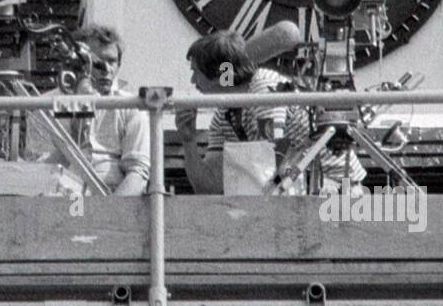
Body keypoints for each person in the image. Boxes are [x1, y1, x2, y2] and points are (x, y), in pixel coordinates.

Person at [175, 30, 365, 195]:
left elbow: (274, 163)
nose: (193, 81)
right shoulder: (225, 114)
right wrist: (188, 140)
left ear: (217, 73)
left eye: (196, 72)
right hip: (296, 191)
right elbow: (208, 187)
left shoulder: (263, 87)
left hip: (335, 187)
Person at [23, 25, 150, 195]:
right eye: (97, 62)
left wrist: (111, 214)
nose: (106, 69)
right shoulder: (45, 105)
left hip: (115, 199)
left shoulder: (130, 105)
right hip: (60, 198)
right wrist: (69, 143)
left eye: (112, 61)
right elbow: (39, 173)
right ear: (79, 62)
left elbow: (138, 173)